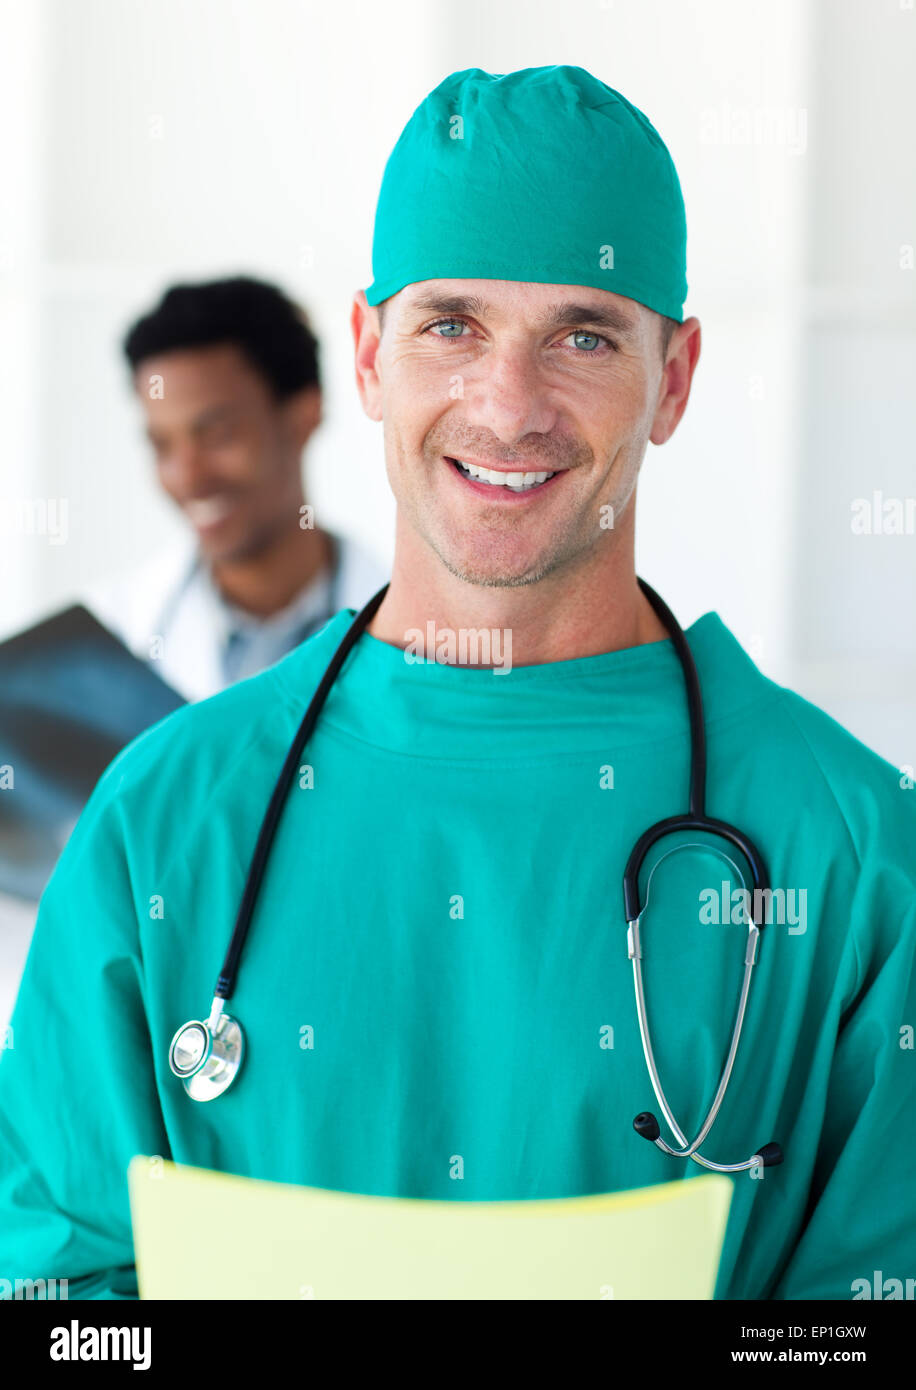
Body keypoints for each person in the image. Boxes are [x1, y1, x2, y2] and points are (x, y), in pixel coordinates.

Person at [1, 66, 914, 1302]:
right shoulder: (159, 820)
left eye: (583, 335)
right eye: (452, 326)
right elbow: (60, 1299)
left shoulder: (853, 851)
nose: (508, 405)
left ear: (677, 379)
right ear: (372, 355)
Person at [84, 276, 387, 700]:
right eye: (162, 444)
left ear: (304, 414)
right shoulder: (106, 640)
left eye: (217, 435)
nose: (188, 476)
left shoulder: (421, 636)